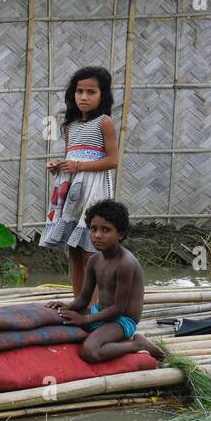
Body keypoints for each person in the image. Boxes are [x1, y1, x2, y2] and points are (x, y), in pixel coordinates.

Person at [48, 199, 163, 363]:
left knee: (89, 351)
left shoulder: (125, 264)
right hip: (99, 313)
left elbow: (118, 308)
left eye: (105, 230)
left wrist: (85, 319)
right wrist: (66, 306)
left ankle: (136, 344)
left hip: (121, 320)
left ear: (120, 234)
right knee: (56, 319)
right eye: (93, 229)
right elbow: (83, 299)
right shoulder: (95, 260)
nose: (97, 235)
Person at [40, 66, 120, 297]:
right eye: (79, 91)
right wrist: (59, 165)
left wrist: (79, 166)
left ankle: (95, 309)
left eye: (91, 92)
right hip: (71, 192)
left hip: (93, 191)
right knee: (73, 251)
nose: (83, 97)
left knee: (90, 252)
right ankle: (79, 304)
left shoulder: (104, 122)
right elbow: (71, 157)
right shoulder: (70, 126)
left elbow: (113, 160)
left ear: (102, 95)